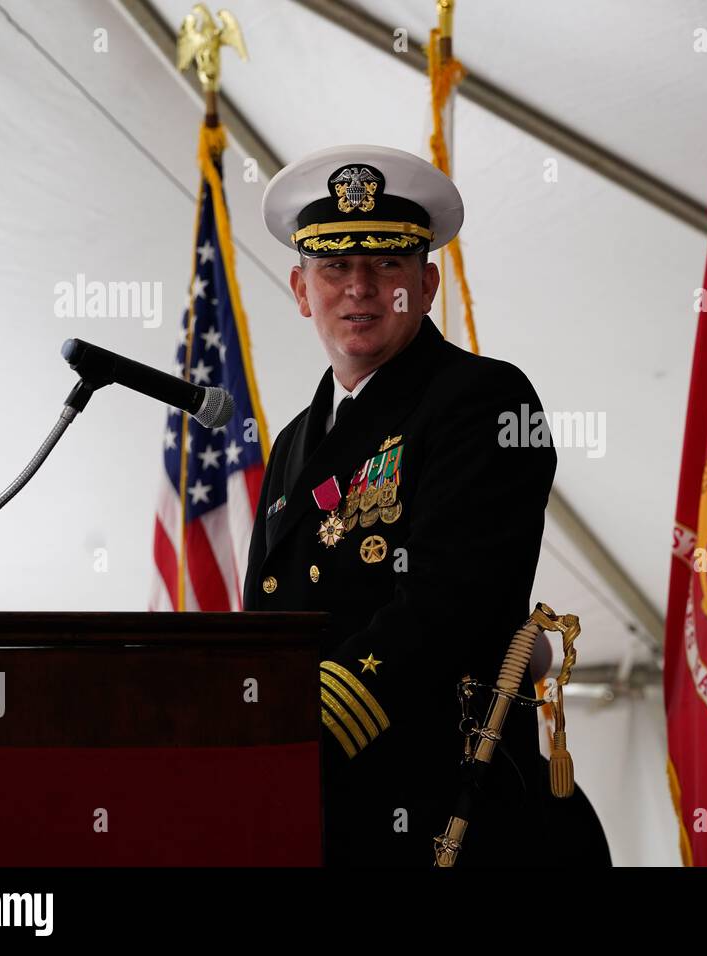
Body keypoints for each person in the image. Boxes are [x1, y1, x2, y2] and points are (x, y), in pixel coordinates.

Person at [246, 145, 610, 866]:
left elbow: (455, 601)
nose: (360, 289)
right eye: (334, 268)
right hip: (316, 806)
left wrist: (306, 722)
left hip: (439, 808)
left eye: (386, 265)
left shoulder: (486, 399)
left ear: (428, 283)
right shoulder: (292, 442)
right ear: (299, 288)